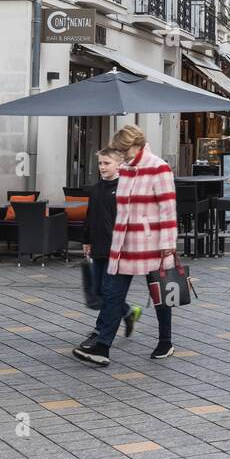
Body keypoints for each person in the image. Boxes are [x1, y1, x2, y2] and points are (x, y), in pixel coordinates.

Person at [74, 124, 176, 366]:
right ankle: (102, 347)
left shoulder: (158, 167)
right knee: (112, 293)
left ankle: (165, 341)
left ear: (137, 145)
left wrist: (168, 246)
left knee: (159, 293)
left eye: (124, 149)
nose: (122, 155)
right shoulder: (127, 169)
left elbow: (168, 209)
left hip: (151, 243)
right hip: (124, 244)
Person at [79, 147, 141, 348]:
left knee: (108, 290)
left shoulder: (124, 188)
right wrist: (86, 240)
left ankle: (99, 331)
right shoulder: (96, 189)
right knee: (98, 290)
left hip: (117, 249)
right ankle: (127, 312)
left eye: (107, 163)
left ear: (119, 165)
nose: (102, 167)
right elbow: (90, 217)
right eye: (100, 163)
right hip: (98, 246)